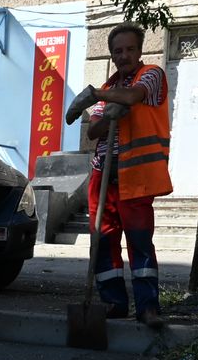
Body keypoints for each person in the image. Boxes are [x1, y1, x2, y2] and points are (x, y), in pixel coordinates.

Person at [64, 23, 172, 329]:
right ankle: (113, 302)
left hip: (136, 174)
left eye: (129, 49)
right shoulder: (111, 86)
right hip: (104, 174)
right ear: (112, 55)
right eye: (118, 51)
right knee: (103, 240)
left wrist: (101, 95)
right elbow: (95, 130)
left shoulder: (152, 75)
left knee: (139, 241)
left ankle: (148, 307)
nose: (123, 56)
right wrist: (110, 106)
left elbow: (136, 95)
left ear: (140, 51)